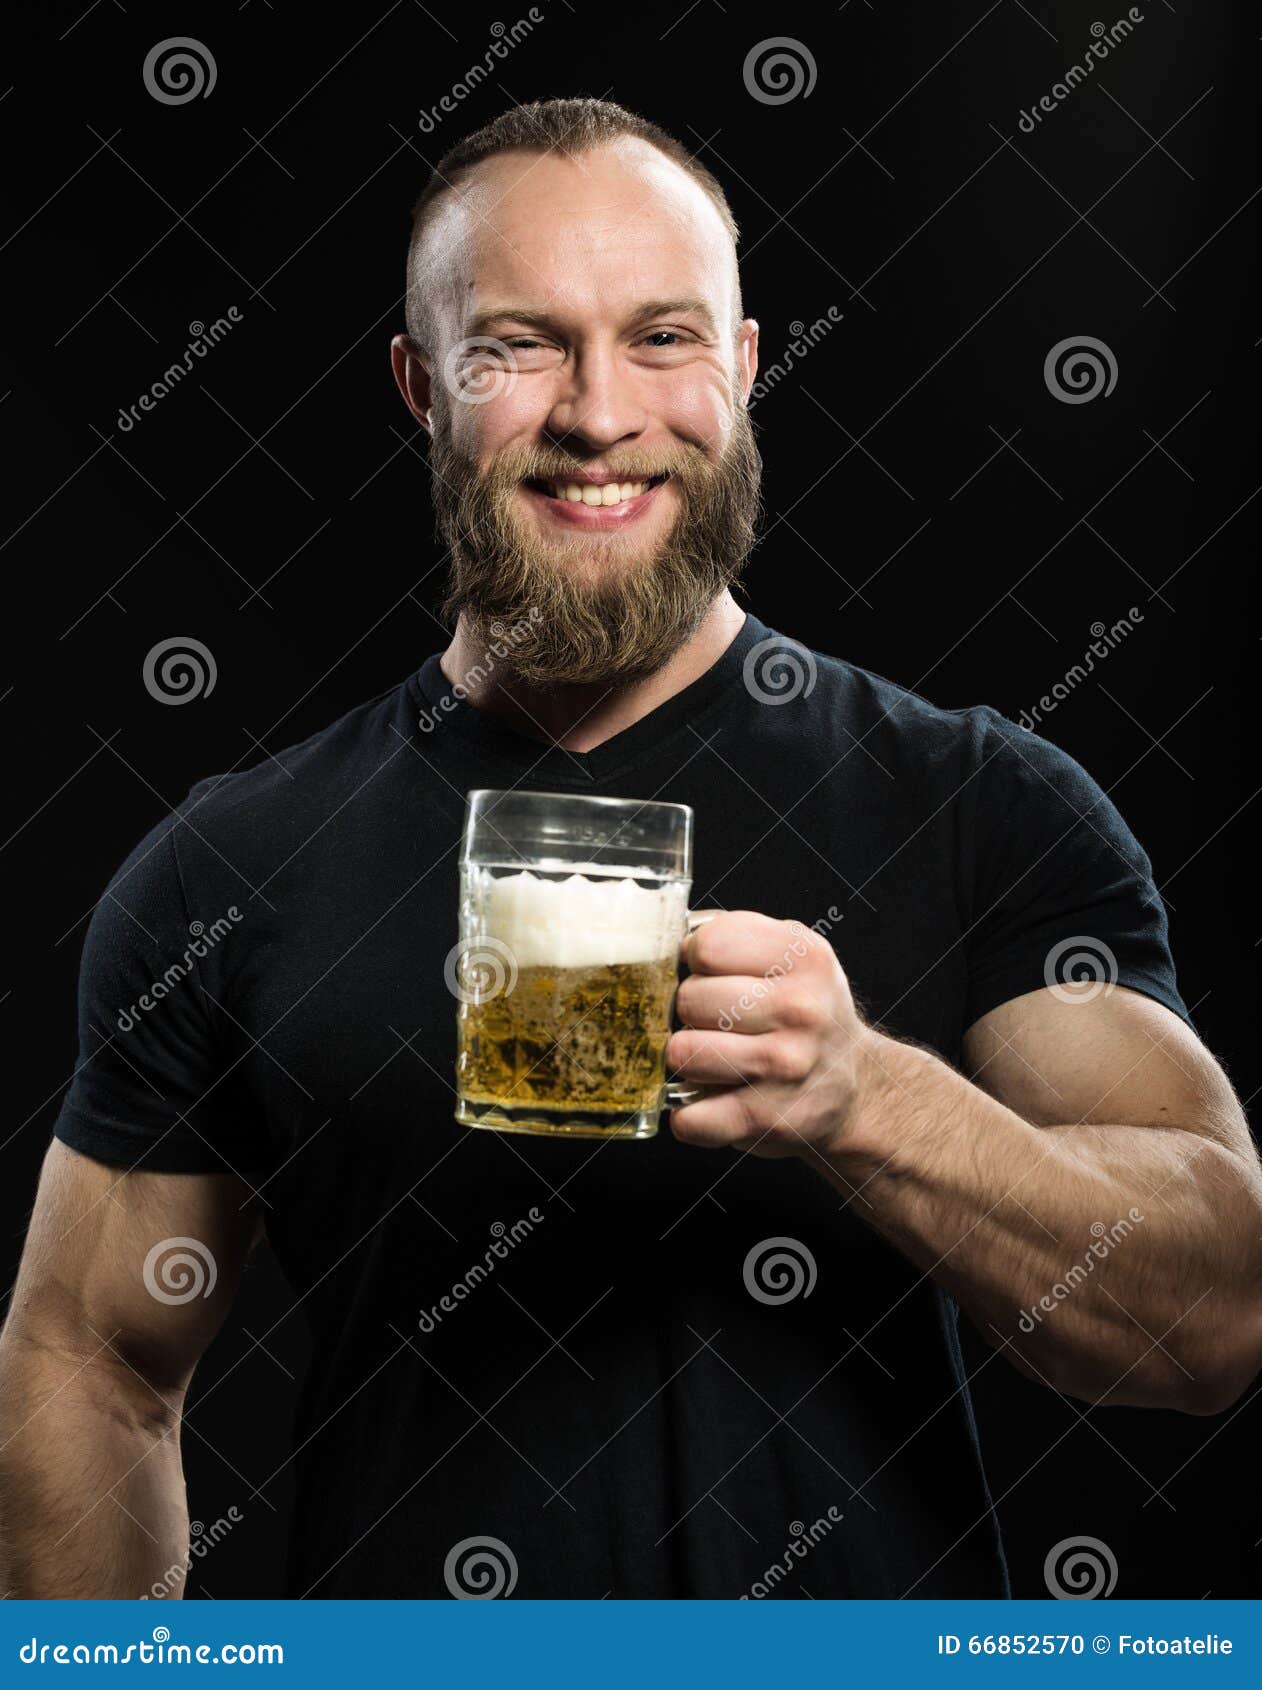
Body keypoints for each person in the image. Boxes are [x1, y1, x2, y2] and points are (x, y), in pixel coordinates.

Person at [2, 97, 1259, 1602]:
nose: (598, 416)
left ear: (742, 366)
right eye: (520, 346)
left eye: (663, 338)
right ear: (421, 385)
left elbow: (1215, 1318)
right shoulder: (230, 869)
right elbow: (88, 1357)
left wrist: (869, 1099)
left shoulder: (977, 802)